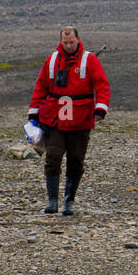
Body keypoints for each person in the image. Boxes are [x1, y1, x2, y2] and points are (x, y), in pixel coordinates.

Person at [28, 26, 111, 215]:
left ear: (78, 39)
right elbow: (40, 86)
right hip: (56, 120)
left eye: (71, 42)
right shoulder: (52, 60)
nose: (68, 45)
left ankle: (69, 202)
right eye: (65, 42)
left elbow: (102, 86)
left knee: (75, 161)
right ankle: (52, 202)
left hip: (81, 121)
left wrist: (101, 108)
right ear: (61, 41)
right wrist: (33, 113)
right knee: (53, 157)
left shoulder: (90, 60)